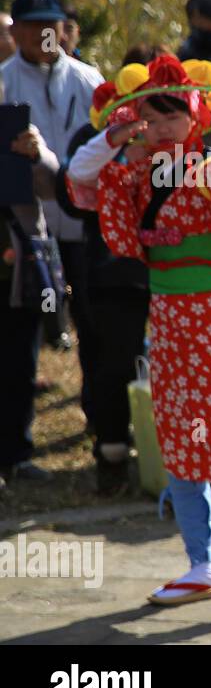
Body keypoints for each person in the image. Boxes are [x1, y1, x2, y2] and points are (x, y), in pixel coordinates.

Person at [67, 54, 211, 626]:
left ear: (194, 116)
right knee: (177, 435)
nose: (163, 127)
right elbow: (81, 179)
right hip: (167, 312)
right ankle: (203, 565)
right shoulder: (137, 170)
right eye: (153, 115)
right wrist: (114, 137)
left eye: (173, 115)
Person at [55, 44, 167, 496]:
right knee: (112, 363)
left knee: (174, 366)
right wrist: (116, 143)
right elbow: (70, 192)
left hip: (176, 273)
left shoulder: (182, 132)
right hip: (112, 270)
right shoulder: (98, 132)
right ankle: (113, 452)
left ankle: (176, 459)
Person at [2, 0, 106, 435]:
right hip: (27, 228)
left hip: (84, 223)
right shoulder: (4, 81)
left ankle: (104, 428)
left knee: (96, 328)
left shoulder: (89, 80)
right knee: (20, 338)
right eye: (34, 25)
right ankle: (16, 444)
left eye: (53, 25)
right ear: (16, 31)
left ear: (65, 29)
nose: (46, 34)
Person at [1, 121, 62, 490]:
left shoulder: (18, 132)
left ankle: (17, 456)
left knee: (21, 365)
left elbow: (56, 189)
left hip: (18, 275)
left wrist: (37, 154)